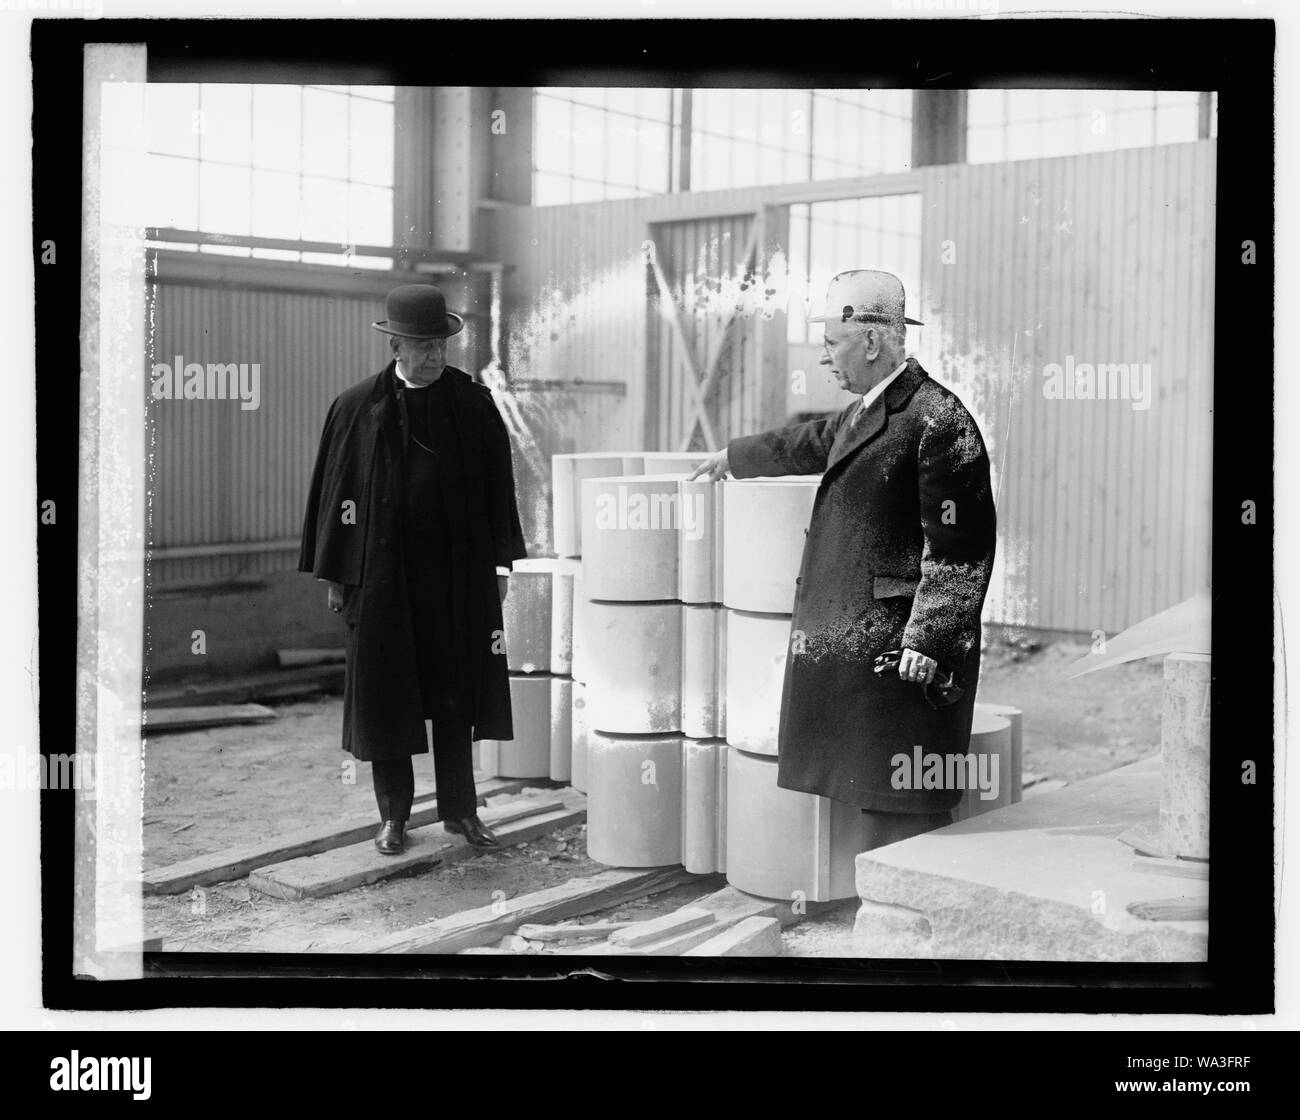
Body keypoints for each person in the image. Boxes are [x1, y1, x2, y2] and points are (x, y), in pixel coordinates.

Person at [690, 269, 997, 848]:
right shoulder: (872, 409)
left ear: (873, 342)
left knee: (903, 800)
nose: (825, 358)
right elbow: (810, 440)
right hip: (866, 642)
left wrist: (928, 642)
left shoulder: (940, 422)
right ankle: (886, 910)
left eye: (831, 344)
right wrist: (733, 456)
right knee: (875, 788)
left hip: (900, 649)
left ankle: (911, 920)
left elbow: (962, 550)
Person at [299, 284, 527, 855]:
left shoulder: (473, 406)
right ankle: (394, 818)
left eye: (441, 345)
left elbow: (500, 489)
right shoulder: (356, 407)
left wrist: (499, 565)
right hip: (382, 579)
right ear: (395, 344)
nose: (434, 356)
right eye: (422, 345)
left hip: (455, 578)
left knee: (456, 699)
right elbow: (335, 494)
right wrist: (336, 575)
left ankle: (460, 813)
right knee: (387, 697)